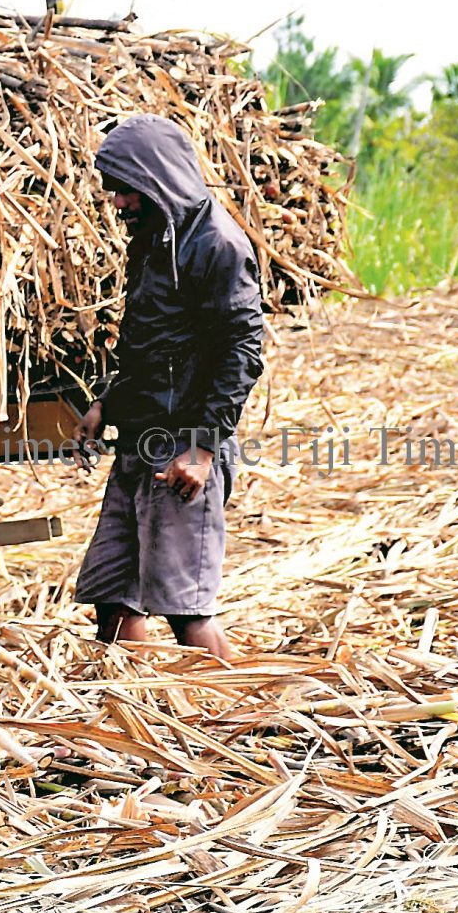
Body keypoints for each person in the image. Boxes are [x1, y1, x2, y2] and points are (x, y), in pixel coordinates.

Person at [73, 114, 266, 664]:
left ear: (155, 178)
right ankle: (126, 720)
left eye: (125, 189)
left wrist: (202, 451)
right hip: (140, 441)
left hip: (183, 448)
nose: (117, 203)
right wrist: (108, 402)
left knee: (186, 610)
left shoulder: (218, 244)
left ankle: (235, 723)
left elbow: (242, 353)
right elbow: (154, 343)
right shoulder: (157, 239)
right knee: (110, 596)